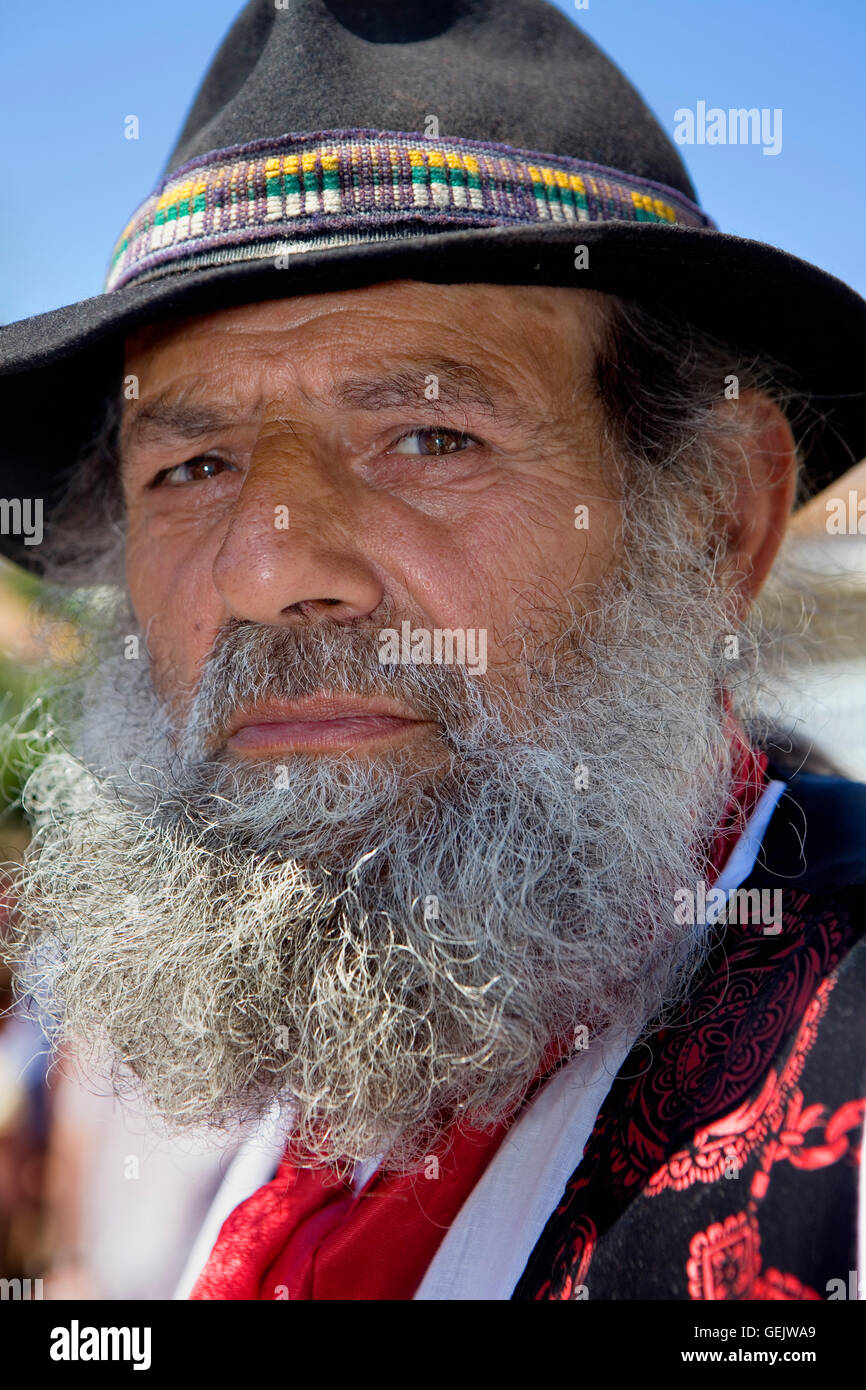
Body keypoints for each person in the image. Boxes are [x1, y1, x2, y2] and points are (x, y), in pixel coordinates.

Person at [0, 0, 864, 1301]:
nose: (270, 567)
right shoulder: (191, 1058)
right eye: (193, 464)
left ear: (712, 523)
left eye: (430, 437)